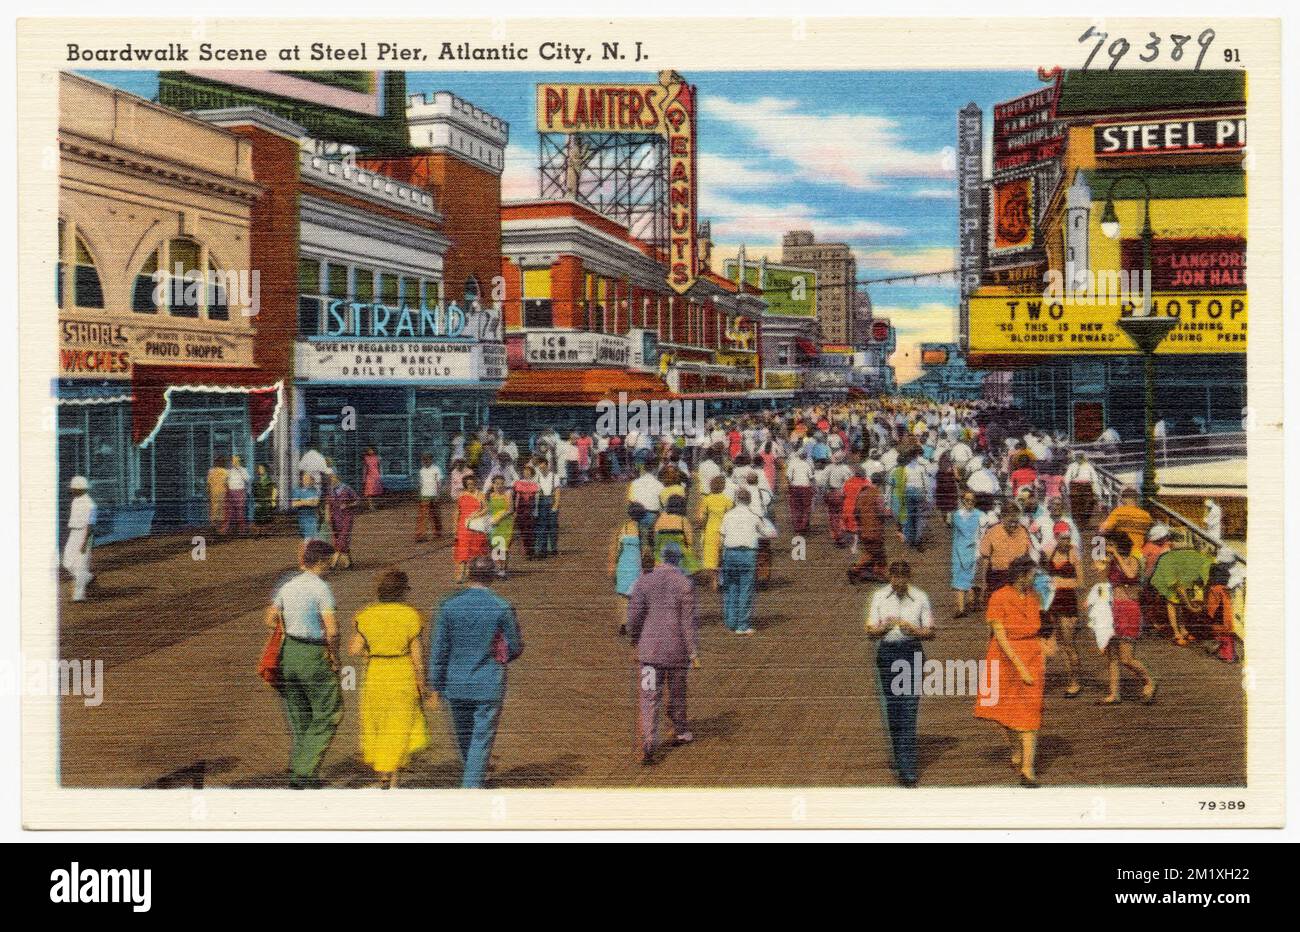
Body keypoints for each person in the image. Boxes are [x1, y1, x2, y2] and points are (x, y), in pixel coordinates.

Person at [427, 556, 523, 788]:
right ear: (491, 576)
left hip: (456, 682)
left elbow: (439, 648)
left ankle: (473, 776)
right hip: (488, 681)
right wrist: (501, 657)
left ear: (469, 573)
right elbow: (516, 646)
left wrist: (435, 684)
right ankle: (471, 785)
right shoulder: (502, 606)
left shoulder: (448, 606)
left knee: (463, 736)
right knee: (481, 737)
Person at [265, 539, 342, 788]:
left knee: (300, 716)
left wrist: (289, 624)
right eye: (329, 562)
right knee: (330, 711)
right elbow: (332, 631)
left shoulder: (287, 586)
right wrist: (335, 657)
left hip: (289, 653)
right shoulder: (321, 588)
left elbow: (270, 619)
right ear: (320, 561)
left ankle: (303, 775)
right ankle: (303, 769)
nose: (331, 566)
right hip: (313, 653)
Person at [350, 570, 428, 788]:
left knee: (377, 724)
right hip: (402, 673)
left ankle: (383, 775)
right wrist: (423, 686)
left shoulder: (366, 616)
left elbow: (354, 649)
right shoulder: (411, 616)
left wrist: (368, 647)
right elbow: (418, 658)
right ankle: (392, 778)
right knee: (398, 727)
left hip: (376, 673)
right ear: (403, 592)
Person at [973, 556, 1046, 787]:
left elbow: (1040, 626)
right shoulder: (999, 597)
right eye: (1032, 574)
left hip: (1032, 654)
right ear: (1021, 575)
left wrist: (1044, 646)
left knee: (1030, 711)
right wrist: (1019, 665)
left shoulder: (1034, 596)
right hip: (1004, 655)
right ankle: (1016, 749)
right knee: (1004, 710)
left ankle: (1028, 769)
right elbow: (1000, 636)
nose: (1035, 578)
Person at [626, 541, 700, 765]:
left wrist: (635, 639)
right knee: (677, 693)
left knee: (649, 697)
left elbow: (634, 616)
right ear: (677, 560)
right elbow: (688, 624)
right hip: (677, 652)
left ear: (661, 558)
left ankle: (648, 740)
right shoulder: (685, 584)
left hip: (649, 652)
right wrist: (693, 653)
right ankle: (679, 730)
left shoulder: (644, 581)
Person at [865, 561, 935, 787]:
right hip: (887, 653)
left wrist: (913, 630)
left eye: (902, 578)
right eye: (894, 578)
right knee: (893, 709)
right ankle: (899, 758)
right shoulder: (879, 597)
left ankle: (908, 769)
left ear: (908, 577)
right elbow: (870, 630)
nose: (898, 582)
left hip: (911, 651)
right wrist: (882, 628)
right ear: (890, 577)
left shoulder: (921, 597)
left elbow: (930, 632)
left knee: (909, 709)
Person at [1100, 532, 1157, 704]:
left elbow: (1131, 575)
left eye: (1111, 544)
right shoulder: (1112, 562)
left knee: (1126, 658)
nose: (1109, 547)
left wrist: (1116, 556)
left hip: (1128, 609)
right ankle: (1114, 693)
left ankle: (1149, 681)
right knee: (1111, 655)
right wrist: (1107, 562)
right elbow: (1104, 580)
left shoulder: (1133, 560)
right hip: (1113, 608)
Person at [719, 488, 776, 635]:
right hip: (747, 554)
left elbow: (721, 537)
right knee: (745, 589)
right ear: (749, 501)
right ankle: (742, 625)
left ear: (736, 500)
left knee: (731, 587)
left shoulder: (727, 515)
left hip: (730, 553)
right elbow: (768, 533)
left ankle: (731, 621)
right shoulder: (754, 516)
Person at [1044, 522, 1084, 698]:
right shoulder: (1048, 552)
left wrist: (1058, 582)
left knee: (1068, 644)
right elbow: (1041, 576)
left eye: (1068, 538)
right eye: (1063, 539)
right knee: (1051, 643)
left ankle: (1075, 681)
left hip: (1067, 603)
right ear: (1056, 538)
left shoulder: (1073, 553)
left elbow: (1080, 582)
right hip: (1052, 603)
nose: (1066, 542)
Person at [978, 502, 1033, 596]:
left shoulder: (1023, 531)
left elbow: (1029, 556)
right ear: (1003, 518)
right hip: (997, 577)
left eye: (1016, 521)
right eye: (1010, 521)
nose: (1013, 525)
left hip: (1018, 578)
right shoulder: (992, 532)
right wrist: (983, 582)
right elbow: (985, 559)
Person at [610, 503, 647, 635]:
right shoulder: (642, 530)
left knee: (623, 597)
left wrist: (614, 565)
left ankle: (623, 624)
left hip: (623, 564)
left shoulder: (623, 528)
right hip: (637, 565)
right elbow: (644, 551)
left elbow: (618, 549)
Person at [848, 478, 890, 584]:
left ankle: (877, 572)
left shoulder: (862, 493)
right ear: (881, 483)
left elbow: (855, 512)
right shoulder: (877, 494)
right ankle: (855, 570)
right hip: (874, 530)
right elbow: (881, 512)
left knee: (875, 552)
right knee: (873, 553)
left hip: (863, 530)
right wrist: (889, 513)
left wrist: (859, 525)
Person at [62, 476, 97, 602]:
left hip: (84, 534)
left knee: (81, 565)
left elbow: (91, 524)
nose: (71, 490)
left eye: (74, 488)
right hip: (74, 533)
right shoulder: (75, 501)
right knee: (67, 562)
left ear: (80, 489)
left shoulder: (91, 504)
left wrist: (85, 542)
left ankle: (79, 595)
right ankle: (87, 577)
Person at [696, 475, 733, 589]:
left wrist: (699, 527)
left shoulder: (706, 500)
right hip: (724, 531)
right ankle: (722, 580)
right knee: (722, 556)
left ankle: (714, 581)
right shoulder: (727, 500)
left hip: (710, 531)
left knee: (711, 559)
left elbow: (702, 518)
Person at [950, 491, 983, 618]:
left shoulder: (979, 515)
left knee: (972, 578)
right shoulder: (957, 515)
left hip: (974, 551)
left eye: (972, 500)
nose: (969, 503)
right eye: (967, 500)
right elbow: (962, 531)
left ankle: (973, 602)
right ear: (962, 500)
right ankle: (961, 608)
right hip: (959, 551)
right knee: (959, 578)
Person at [453, 475, 490, 582]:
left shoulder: (480, 495)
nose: (471, 486)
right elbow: (457, 512)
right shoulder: (461, 496)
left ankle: (475, 573)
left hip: (477, 526)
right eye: (468, 484)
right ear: (465, 485)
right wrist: (455, 529)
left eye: (472, 483)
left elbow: (486, 508)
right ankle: (461, 575)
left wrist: (475, 515)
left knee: (477, 549)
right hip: (463, 527)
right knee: (463, 550)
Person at [653, 495, 701, 576]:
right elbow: (690, 541)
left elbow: (655, 539)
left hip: (661, 557)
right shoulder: (683, 520)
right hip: (680, 558)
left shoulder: (660, 520)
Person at [1099, 487, 1153, 556]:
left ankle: (1100, 565)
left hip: (1122, 555)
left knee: (1099, 538)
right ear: (1136, 499)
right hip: (1139, 555)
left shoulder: (1118, 512)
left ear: (1123, 499)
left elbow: (1103, 529)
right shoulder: (1146, 516)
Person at [323, 469, 359, 569]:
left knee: (342, 539)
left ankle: (333, 563)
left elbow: (357, 500)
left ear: (337, 477)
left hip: (346, 517)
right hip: (334, 518)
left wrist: (347, 505)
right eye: (329, 478)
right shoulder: (330, 490)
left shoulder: (347, 489)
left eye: (332, 477)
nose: (331, 480)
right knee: (337, 540)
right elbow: (327, 504)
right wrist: (327, 516)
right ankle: (348, 563)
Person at [486, 474, 515, 577]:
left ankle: (503, 569)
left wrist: (499, 517)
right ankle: (498, 567)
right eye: (497, 483)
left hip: (505, 524)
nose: (499, 486)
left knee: (503, 547)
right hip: (493, 524)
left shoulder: (507, 494)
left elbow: (510, 509)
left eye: (502, 484)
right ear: (492, 484)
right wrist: (489, 521)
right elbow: (488, 510)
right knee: (495, 547)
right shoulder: (490, 496)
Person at [1064, 451, 1100, 528]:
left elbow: (1094, 479)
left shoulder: (1089, 466)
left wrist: (1096, 491)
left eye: (1081, 456)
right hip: (1075, 487)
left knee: (1088, 505)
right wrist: (1068, 490)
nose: (1079, 458)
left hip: (1086, 488)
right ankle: (1077, 524)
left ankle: (1085, 523)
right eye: (1077, 456)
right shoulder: (1071, 466)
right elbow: (1067, 479)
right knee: (1076, 506)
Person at [533, 457, 561, 558]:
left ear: (547, 465)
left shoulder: (554, 476)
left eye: (542, 465)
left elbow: (557, 491)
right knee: (542, 526)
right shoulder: (537, 477)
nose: (541, 467)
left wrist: (556, 505)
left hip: (552, 501)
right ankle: (542, 549)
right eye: (539, 466)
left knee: (553, 527)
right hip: (541, 503)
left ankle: (553, 548)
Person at [512, 464, 540, 560]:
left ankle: (531, 550)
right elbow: (516, 498)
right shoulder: (518, 483)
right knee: (522, 531)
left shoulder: (535, 484)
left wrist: (535, 512)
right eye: (525, 471)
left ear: (532, 473)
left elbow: (536, 499)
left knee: (531, 531)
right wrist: (515, 511)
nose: (526, 473)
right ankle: (525, 550)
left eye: (528, 471)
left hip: (530, 511)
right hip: (521, 510)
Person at [785, 450, 815, 535]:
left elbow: (788, 477)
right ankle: (802, 526)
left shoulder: (792, 464)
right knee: (806, 508)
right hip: (805, 487)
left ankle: (798, 527)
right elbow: (811, 477)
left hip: (795, 487)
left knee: (795, 508)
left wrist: (789, 486)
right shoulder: (807, 464)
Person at [415, 453, 443, 541]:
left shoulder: (436, 469)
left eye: (427, 459)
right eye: (423, 460)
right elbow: (420, 483)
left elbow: (439, 482)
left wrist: (438, 495)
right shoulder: (421, 470)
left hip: (434, 495)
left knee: (435, 515)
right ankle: (421, 535)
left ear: (431, 460)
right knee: (423, 516)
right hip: (424, 495)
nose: (425, 461)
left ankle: (438, 532)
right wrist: (419, 494)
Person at [224, 454, 250, 535]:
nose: (234, 462)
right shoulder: (229, 471)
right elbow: (226, 481)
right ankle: (228, 530)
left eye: (235, 460)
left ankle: (241, 530)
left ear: (239, 461)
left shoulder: (243, 470)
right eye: (233, 460)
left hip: (239, 492)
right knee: (229, 512)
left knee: (240, 511)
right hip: (230, 492)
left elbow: (247, 480)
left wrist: (239, 469)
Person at [292, 472, 322, 542]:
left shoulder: (315, 491)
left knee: (312, 540)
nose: (306, 480)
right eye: (304, 478)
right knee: (307, 540)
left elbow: (315, 503)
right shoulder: (297, 491)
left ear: (311, 480)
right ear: (301, 480)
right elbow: (293, 504)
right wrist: (307, 502)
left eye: (308, 478)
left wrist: (302, 501)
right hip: (302, 519)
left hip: (313, 519)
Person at [252, 462, 277, 533]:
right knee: (258, 517)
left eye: (262, 468)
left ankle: (265, 531)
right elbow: (253, 491)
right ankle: (258, 532)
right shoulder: (256, 480)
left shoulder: (270, 479)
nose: (260, 470)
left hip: (267, 501)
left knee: (267, 517)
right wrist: (255, 500)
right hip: (259, 501)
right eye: (259, 468)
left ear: (265, 469)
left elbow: (274, 490)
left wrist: (273, 501)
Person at [207, 457, 229, 531]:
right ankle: (220, 527)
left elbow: (208, 483)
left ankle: (213, 525)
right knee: (222, 509)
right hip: (222, 492)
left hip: (213, 492)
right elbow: (227, 483)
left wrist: (208, 492)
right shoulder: (226, 472)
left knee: (214, 508)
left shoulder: (211, 471)